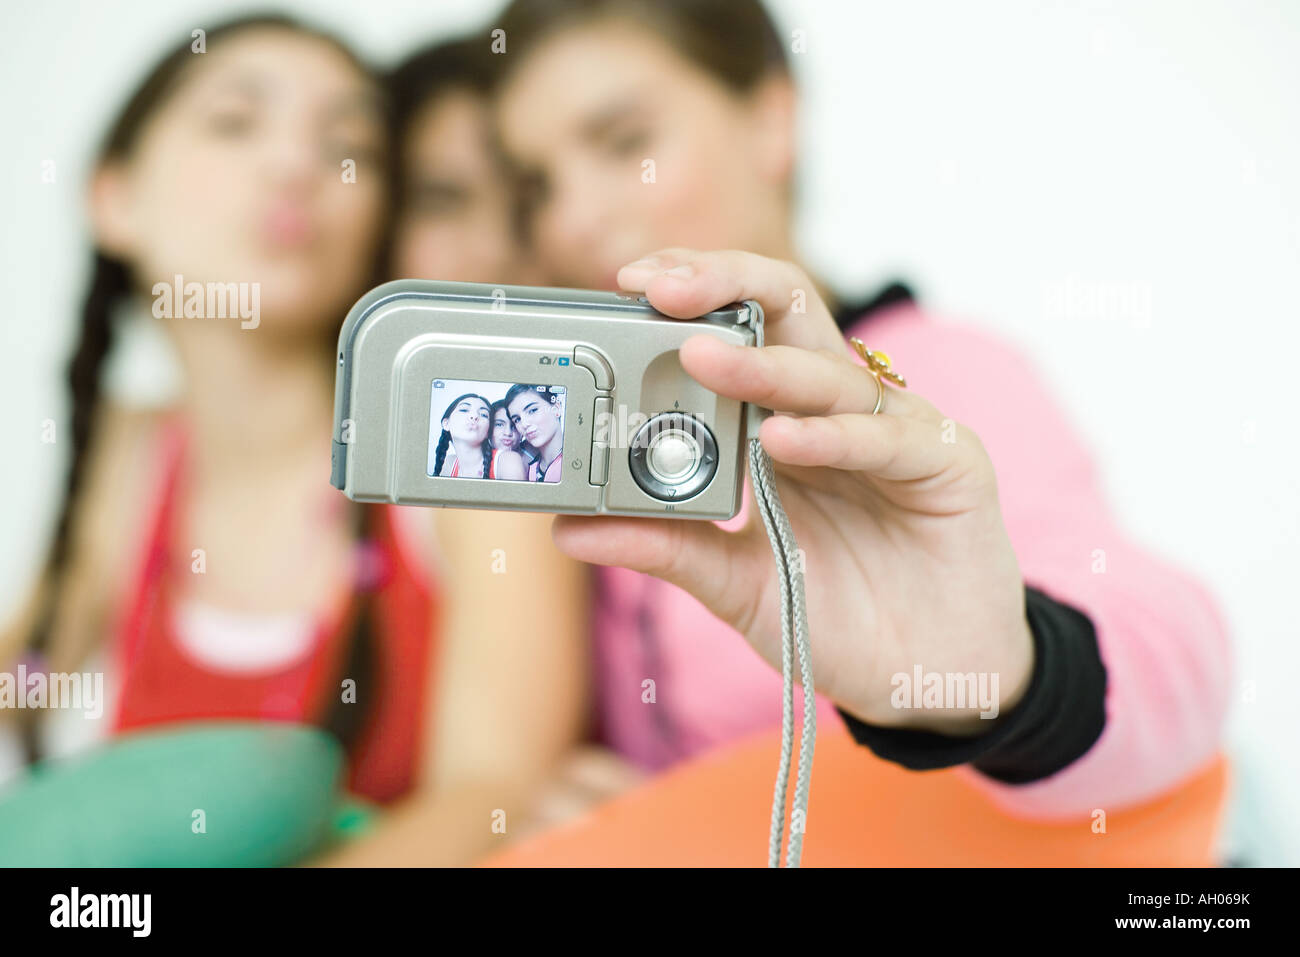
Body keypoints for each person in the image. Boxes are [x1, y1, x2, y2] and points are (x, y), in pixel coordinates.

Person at [484, 0, 1232, 821]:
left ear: (772, 119)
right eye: (537, 186)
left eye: (628, 144)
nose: (573, 219)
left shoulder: (939, 370)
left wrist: (1000, 674)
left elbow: (1173, 652)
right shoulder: (587, 441)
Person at [0, 14, 590, 866]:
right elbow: (25, 675)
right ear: (114, 199)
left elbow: (497, 795)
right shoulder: (133, 458)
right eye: (235, 123)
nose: (296, 166)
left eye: (349, 145)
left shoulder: (478, 441)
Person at [505, 384, 565, 483]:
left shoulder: (575, 462)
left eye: (532, 410)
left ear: (556, 409)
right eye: (517, 419)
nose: (524, 424)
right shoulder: (531, 469)